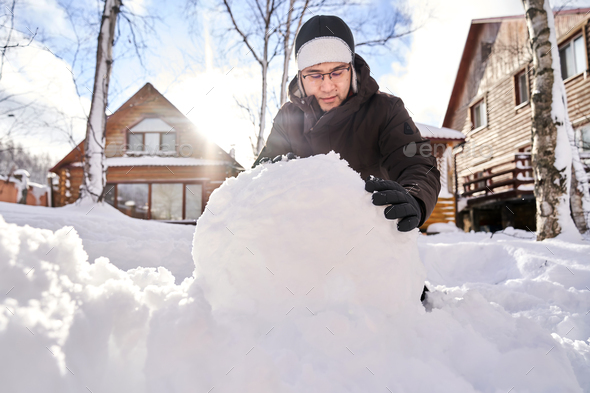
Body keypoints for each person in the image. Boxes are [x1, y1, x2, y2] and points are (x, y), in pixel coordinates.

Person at [255, 15, 441, 236]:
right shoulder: (288, 118)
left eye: (337, 72)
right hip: (301, 242)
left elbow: (418, 163)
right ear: (301, 77)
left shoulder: (385, 110)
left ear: (351, 70)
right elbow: (259, 177)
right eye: (314, 74)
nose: (327, 86)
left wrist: (414, 197)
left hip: (373, 238)